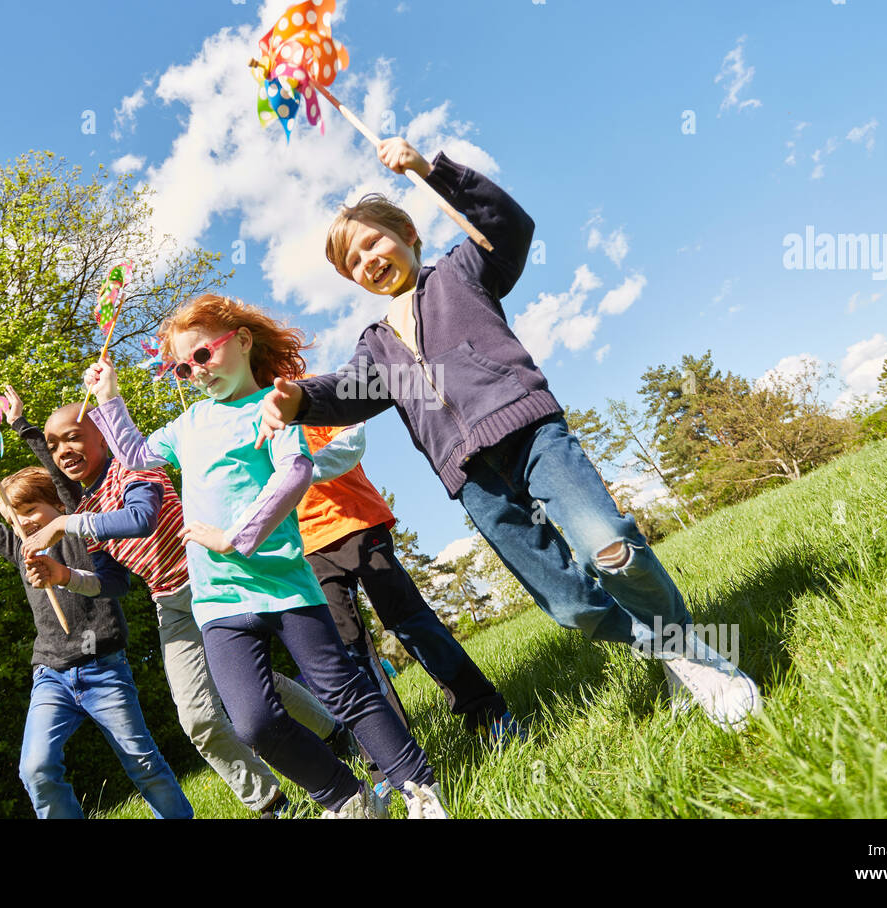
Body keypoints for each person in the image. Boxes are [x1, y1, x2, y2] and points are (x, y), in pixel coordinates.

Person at [256, 137, 762, 731]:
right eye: (353, 261)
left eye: (374, 241)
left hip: (528, 431)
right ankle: (661, 646)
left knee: (611, 549)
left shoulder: (461, 272)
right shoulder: (375, 345)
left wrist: (431, 169)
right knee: (572, 607)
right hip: (472, 480)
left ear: (410, 236)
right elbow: (347, 392)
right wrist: (298, 400)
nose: (367, 259)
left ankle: (693, 654)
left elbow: (509, 223)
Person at [79, 295, 449, 817]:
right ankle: (347, 798)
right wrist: (109, 400)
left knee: (342, 689)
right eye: (183, 369)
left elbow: (295, 470)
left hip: (283, 583)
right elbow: (138, 458)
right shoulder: (189, 426)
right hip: (217, 601)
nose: (195, 373)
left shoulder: (273, 405)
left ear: (243, 340)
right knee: (253, 721)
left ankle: (419, 788)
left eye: (202, 356)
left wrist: (239, 536)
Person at [5, 386, 341, 818]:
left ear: (103, 436)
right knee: (199, 717)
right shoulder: (87, 508)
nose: (63, 450)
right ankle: (271, 801)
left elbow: (140, 519)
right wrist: (66, 576)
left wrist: (69, 523)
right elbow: (114, 583)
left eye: (73, 436)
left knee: (249, 686)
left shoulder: (134, 468)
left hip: (212, 583)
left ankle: (334, 734)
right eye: (52, 445)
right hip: (171, 604)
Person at [0, 451, 192, 819]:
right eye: (12, 519)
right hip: (51, 676)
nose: (22, 524)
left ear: (59, 503)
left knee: (142, 761)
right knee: (35, 768)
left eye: (29, 512)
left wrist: (23, 427)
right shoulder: (21, 550)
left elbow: (63, 482)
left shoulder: (83, 534)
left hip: (103, 668)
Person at [301, 420, 518, 755]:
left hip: (354, 520)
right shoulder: (243, 418)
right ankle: (392, 757)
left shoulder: (311, 391)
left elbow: (351, 440)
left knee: (410, 621)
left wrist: (299, 471)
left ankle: (487, 713)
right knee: (350, 651)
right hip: (304, 547)